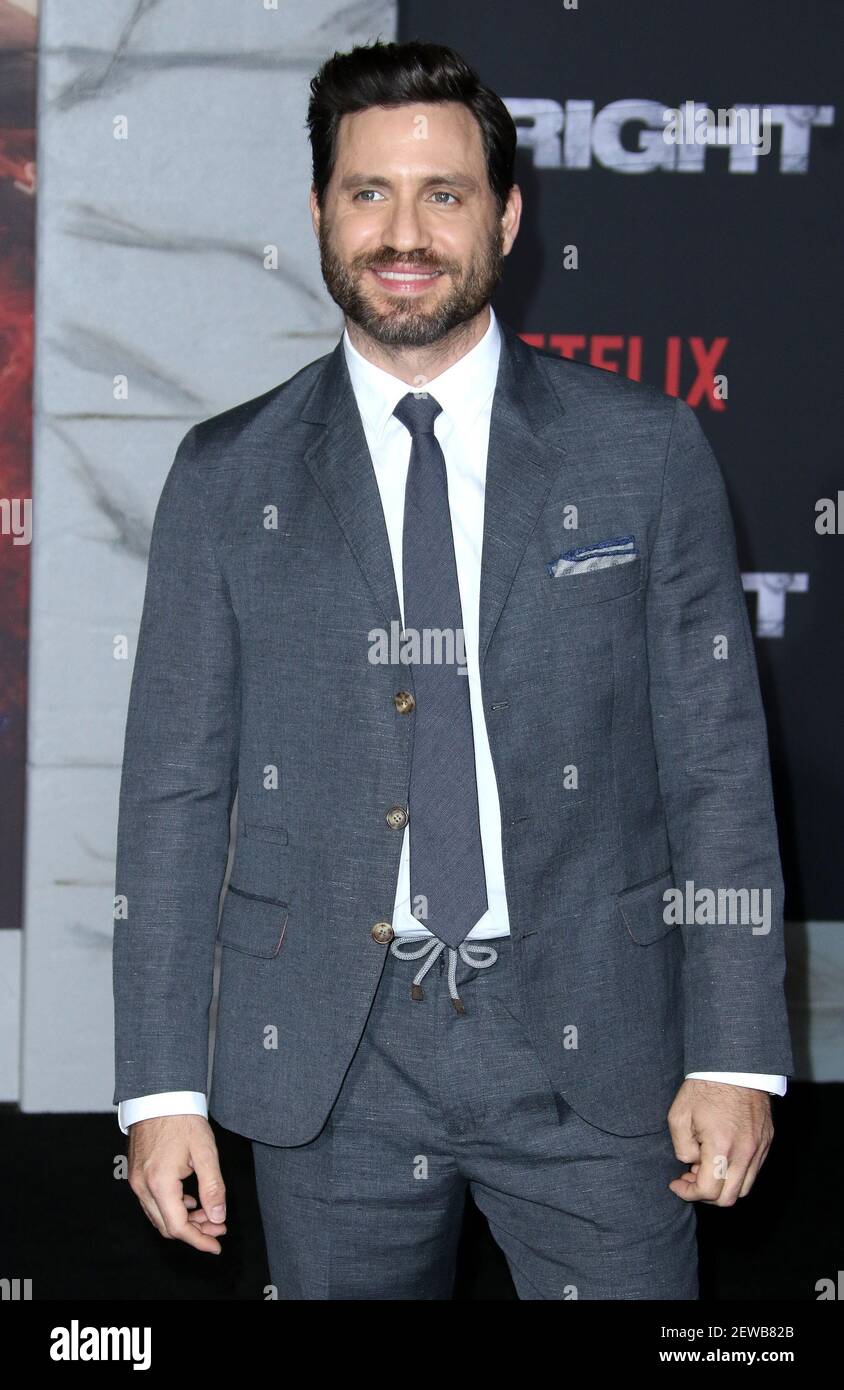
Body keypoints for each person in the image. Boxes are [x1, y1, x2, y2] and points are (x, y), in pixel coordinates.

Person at [112, 39, 793, 1300]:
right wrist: (161, 1088)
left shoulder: (640, 451)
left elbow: (715, 767)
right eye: (368, 192)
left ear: (508, 215)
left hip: (598, 1048)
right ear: (318, 213)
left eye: (445, 192)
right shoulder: (227, 476)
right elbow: (170, 798)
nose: (404, 230)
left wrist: (738, 1053)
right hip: (330, 1061)